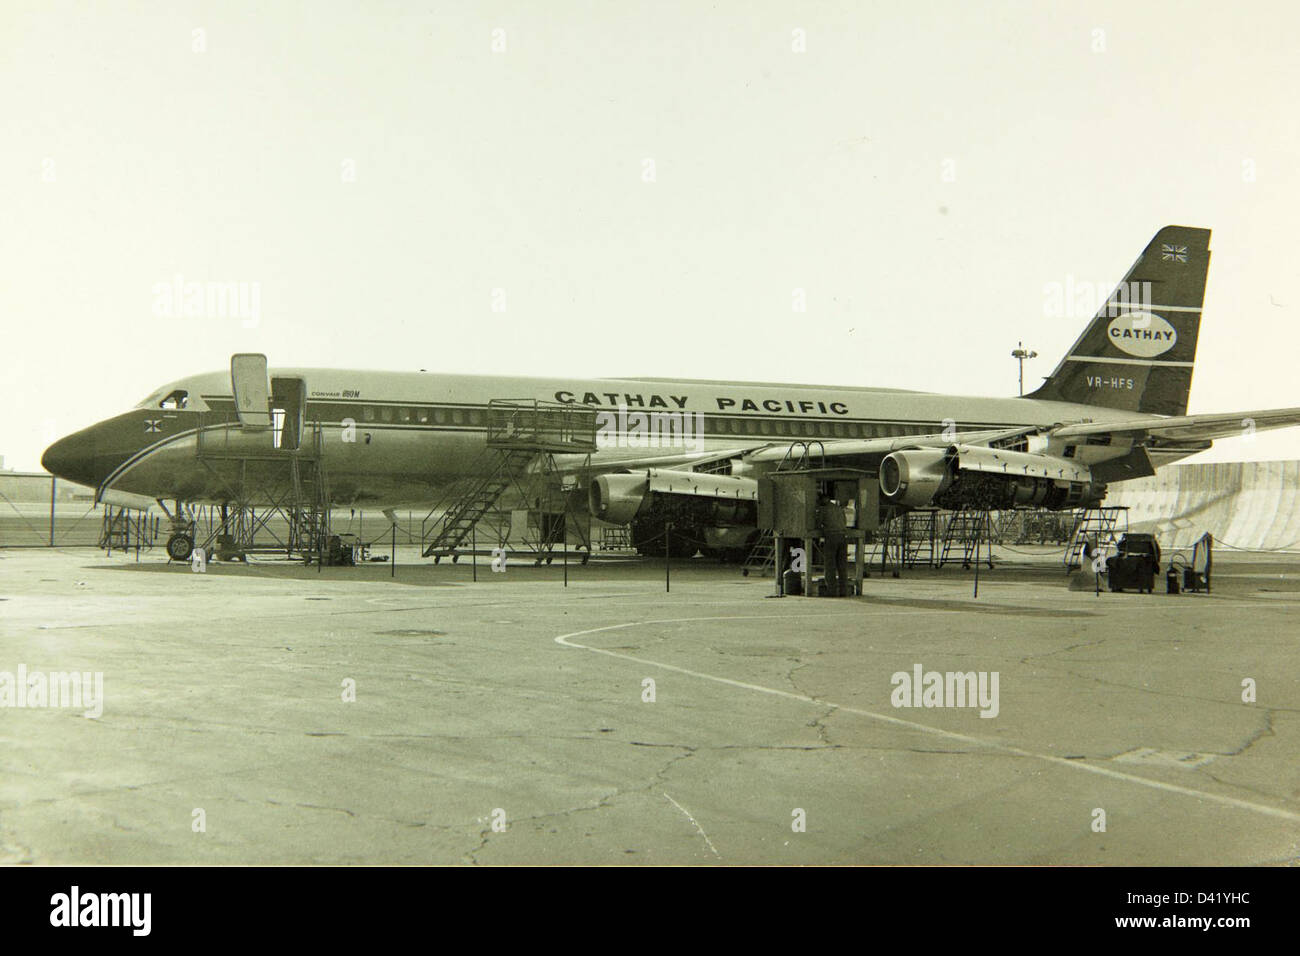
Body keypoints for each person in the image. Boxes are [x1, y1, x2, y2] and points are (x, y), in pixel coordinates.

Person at [818, 493, 849, 597]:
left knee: (830, 565)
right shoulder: (839, 508)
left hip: (831, 537)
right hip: (842, 537)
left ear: (823, 500)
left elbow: (818, 523)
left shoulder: (824, 509)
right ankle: (843, 590)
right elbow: (844, 522)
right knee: (842, 566)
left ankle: (831, 591)